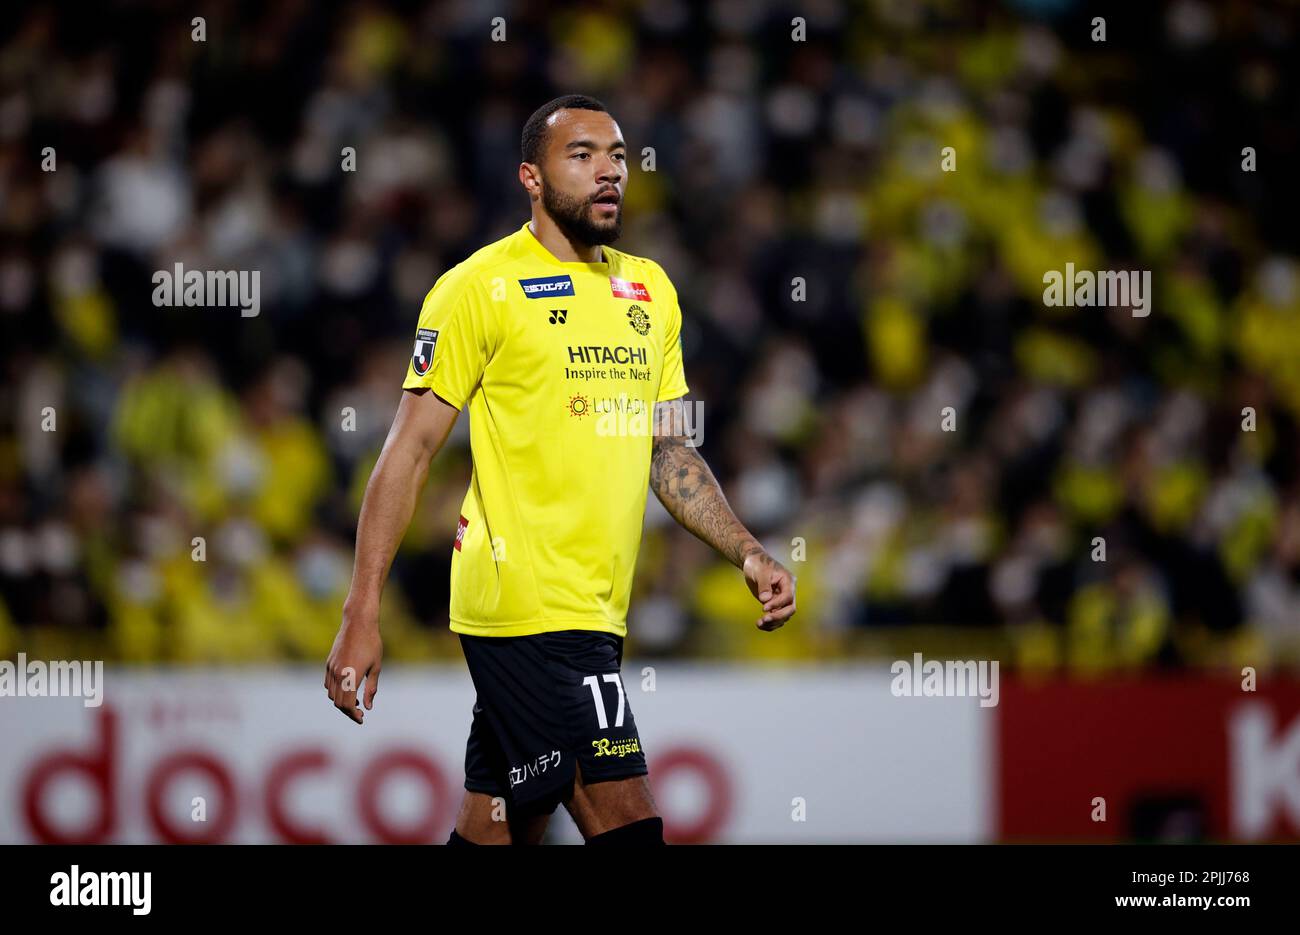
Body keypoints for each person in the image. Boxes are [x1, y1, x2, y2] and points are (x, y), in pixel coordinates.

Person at [323, 94, 796, 845]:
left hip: (597, 611)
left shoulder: (651, 290)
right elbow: (408, 451)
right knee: (628, 825)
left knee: (501, 828)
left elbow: (669, 451)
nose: (609, 172)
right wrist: (361, 610)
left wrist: (745, 547)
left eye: (617, 156)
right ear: (530, 178)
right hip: (529, 606)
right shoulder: (478, 288)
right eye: (582, 155)